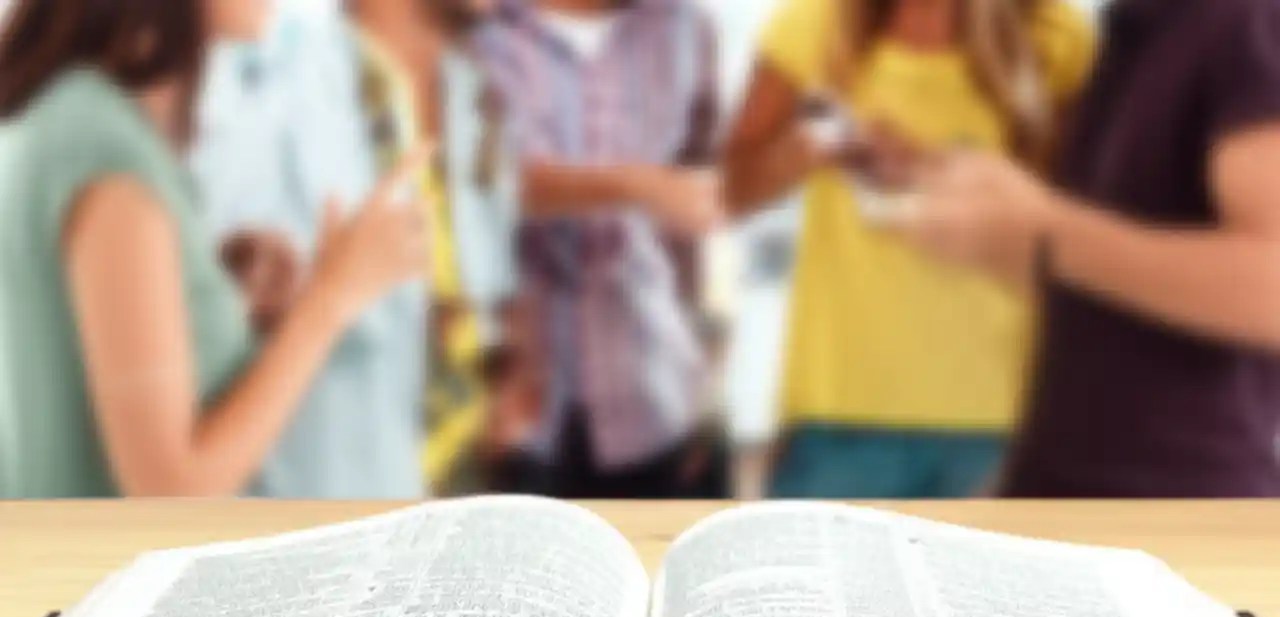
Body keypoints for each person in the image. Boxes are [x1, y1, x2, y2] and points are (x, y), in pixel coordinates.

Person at [0, 0, 429, 498]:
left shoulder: (62, 117)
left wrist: (214, 295)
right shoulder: (108, 158)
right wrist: (332, 299)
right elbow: (173, 490)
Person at [903, 0, 1280, 498]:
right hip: (1063, 488)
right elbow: (1105, 281)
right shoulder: (1132, 33)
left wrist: (1044, 233)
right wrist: (1000, 234)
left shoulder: (1246, 20)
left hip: (1177, 512)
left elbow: (1270, 290)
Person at [723, 0, 1095, 499]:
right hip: (844, 410)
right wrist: (817, 145)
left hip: (1009, 411)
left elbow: (1087, 213)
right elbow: (734, 189)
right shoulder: (815, 22)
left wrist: (933, 169)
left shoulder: (1057, 33)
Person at [190, 0, 514, 498]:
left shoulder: (474, 92)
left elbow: (484, 286)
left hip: (458, 481)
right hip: (326, 508)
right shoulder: (268, 85)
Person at [475, 0, 724, 499]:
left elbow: (690, 219)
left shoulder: (686, 32)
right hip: (516, 408)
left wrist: (705, 385)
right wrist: (635, 184)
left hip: (656, 393)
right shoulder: (480, 28)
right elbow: (486, 183)